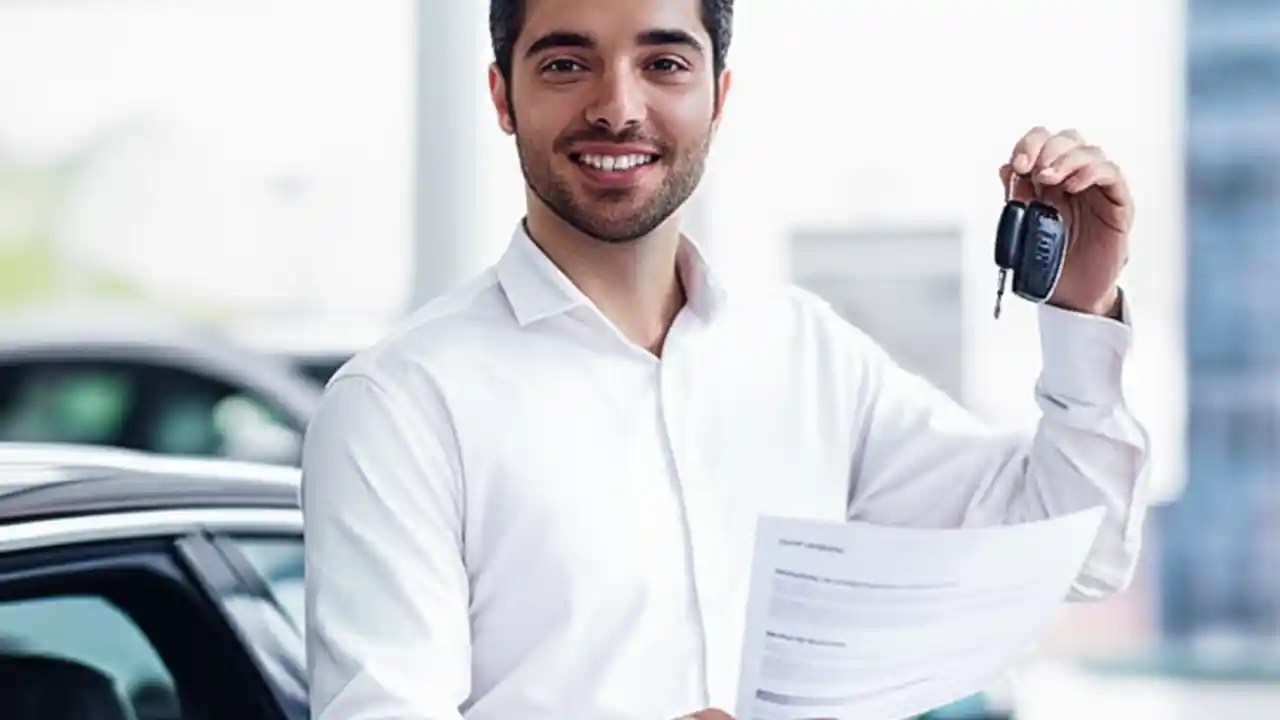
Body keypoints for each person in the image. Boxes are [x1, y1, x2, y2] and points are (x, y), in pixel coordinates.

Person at [301, 0, 1149, 718]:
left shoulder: (805, 353)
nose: (617, 107)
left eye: (664, 62)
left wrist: (1081, 309)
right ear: (502, 96)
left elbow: (1081, 550)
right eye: (566, 64)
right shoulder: (399, 403)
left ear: (720, 95)